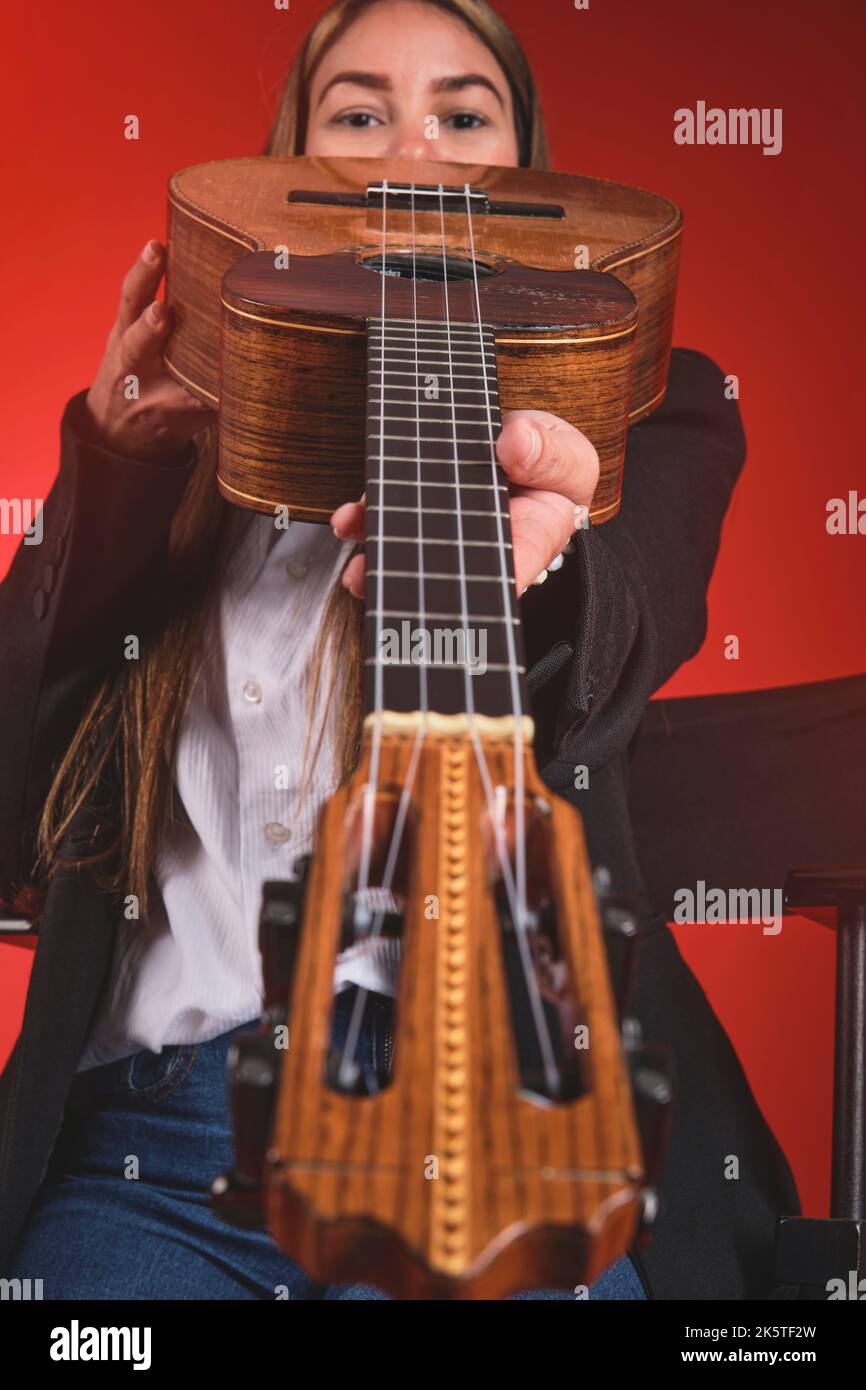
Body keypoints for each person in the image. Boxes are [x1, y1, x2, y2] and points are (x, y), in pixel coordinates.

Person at [0, 0, 797, 1300]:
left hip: (500, 1127)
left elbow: (617, 618)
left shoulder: (651, 407)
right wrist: (111, 483)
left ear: (534, 172)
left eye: (463, 117)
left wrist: (543, 554)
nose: (411, 156)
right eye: (359, 113)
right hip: (154, 1160)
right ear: (289, 167)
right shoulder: (179, 463)